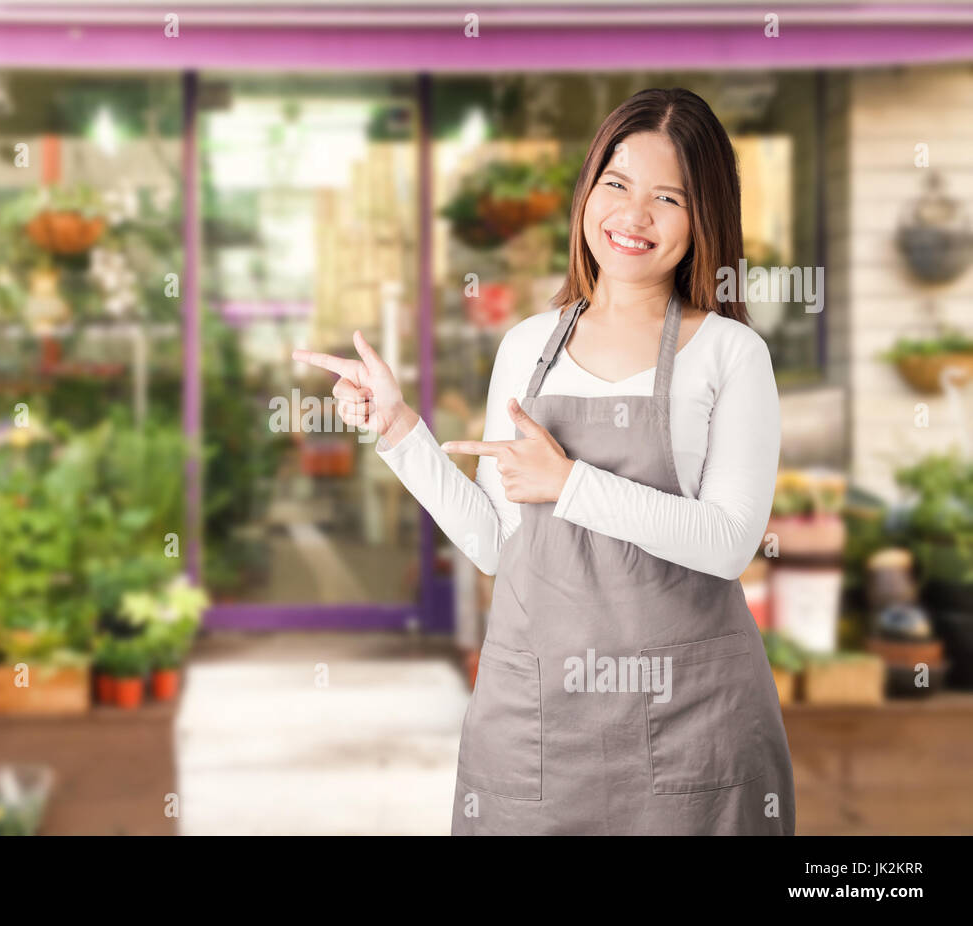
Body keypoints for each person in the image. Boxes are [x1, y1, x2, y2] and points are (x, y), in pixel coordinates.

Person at [292, 88, 795, 835]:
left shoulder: (729, 353)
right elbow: (501, 543)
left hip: (693, 721)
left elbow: (728, 545)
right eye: (616, 185)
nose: (633, 217)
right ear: (588, 189)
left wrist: (573, 484)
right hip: (538, 725)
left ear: (706, 217)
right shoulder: (529, 346)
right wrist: (400, 432)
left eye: (669, 198)